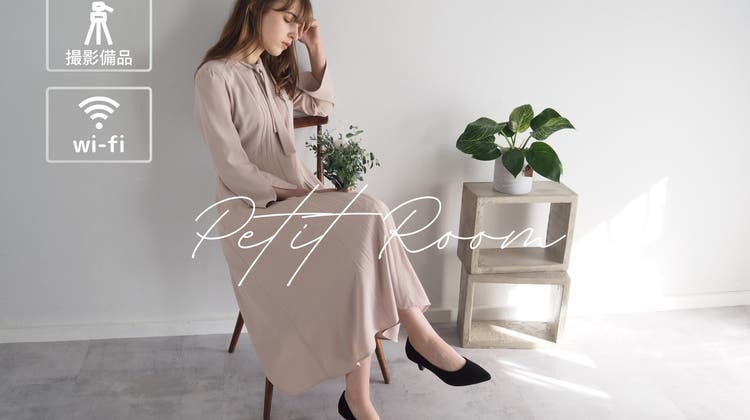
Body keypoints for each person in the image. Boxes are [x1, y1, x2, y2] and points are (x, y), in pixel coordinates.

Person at [192, 1, 491, 419]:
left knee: (367, 226)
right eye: (288, 20)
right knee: (366, 216)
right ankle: (418, 342)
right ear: (256, 9)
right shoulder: (214, 76)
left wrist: (315, 49)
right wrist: (297, 193)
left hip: (299, 201)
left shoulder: (271, 72)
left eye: (299, 25)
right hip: (253, 214)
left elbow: (321, 107)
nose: (293, 33)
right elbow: (231, 167)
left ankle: (363, 392)